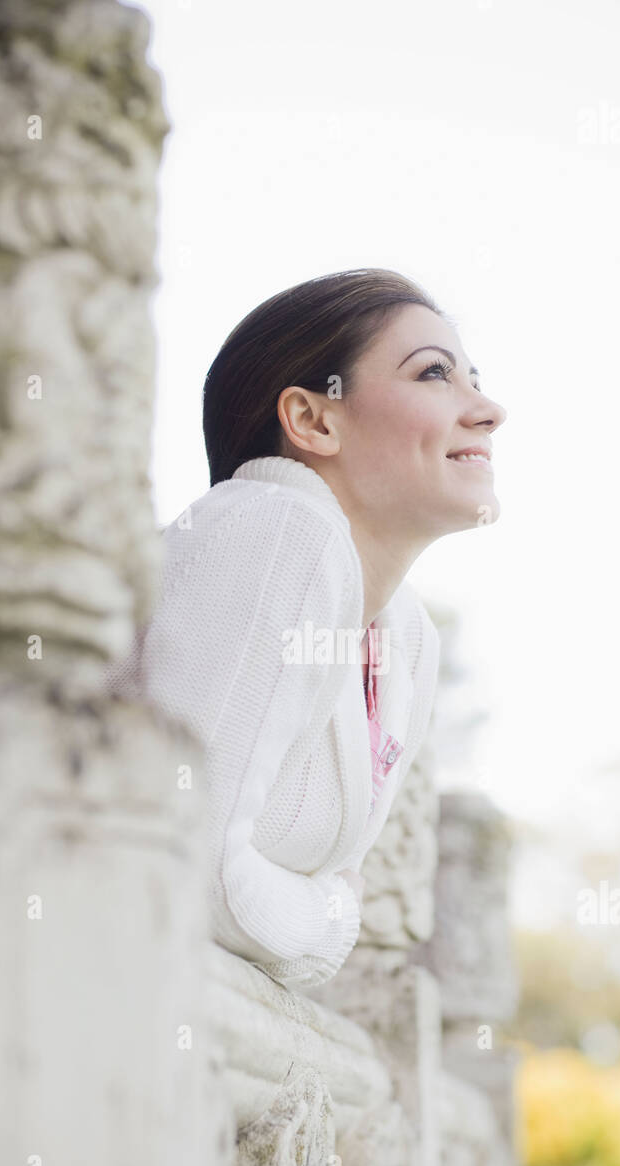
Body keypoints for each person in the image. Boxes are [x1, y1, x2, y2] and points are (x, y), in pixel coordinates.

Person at [102, 268, 507, 989]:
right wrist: (330, 926)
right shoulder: (275, 529)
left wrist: (303, 913)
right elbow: (185, 865)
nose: (488, 410)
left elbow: (300, 885)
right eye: (435, 374)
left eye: (474, 377)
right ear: (315, 421)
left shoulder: (405, 640)